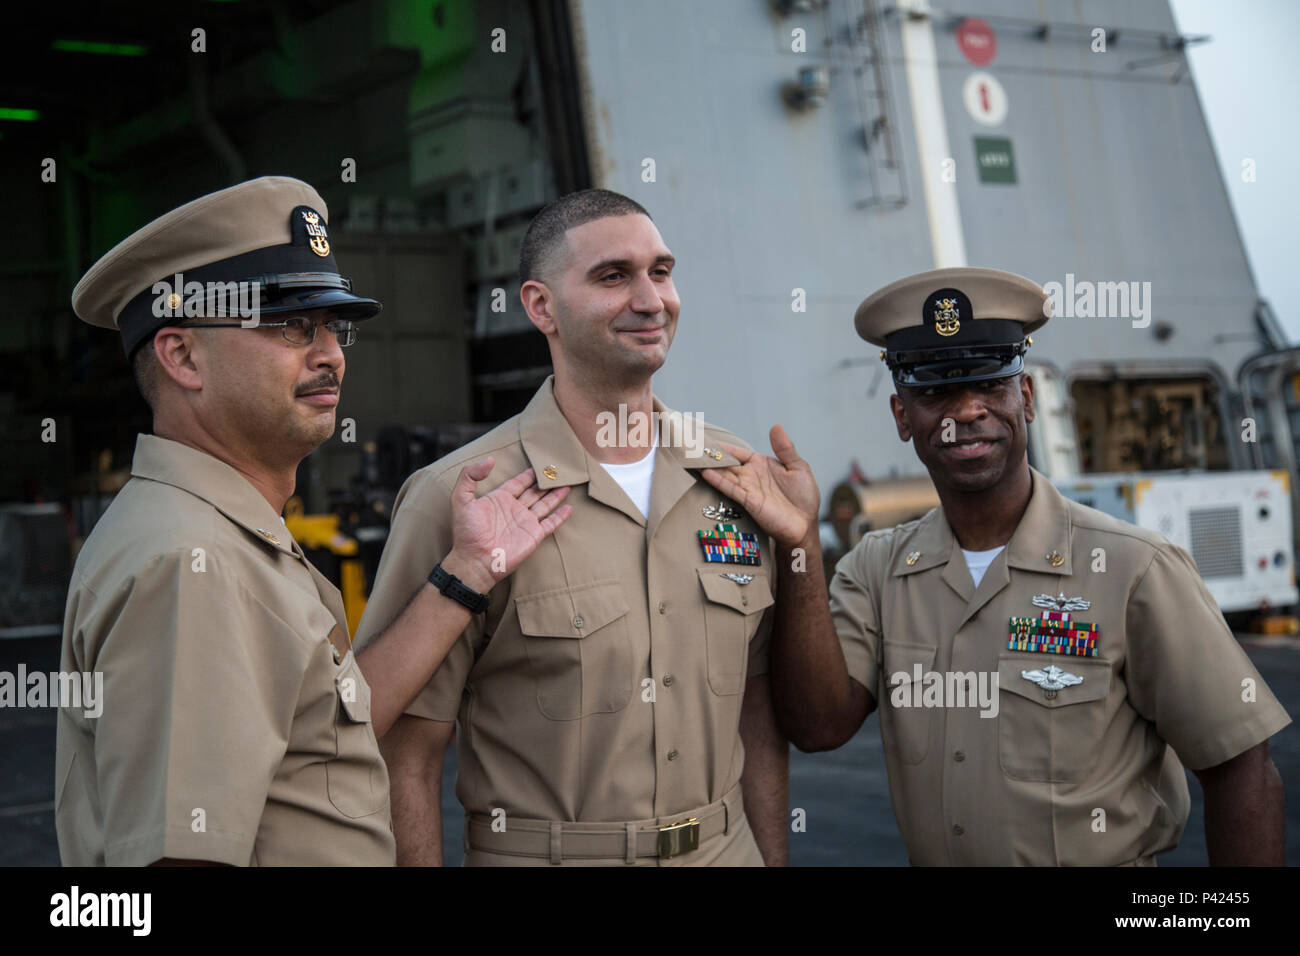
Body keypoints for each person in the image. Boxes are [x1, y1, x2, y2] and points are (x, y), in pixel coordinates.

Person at [57, 176, 571, 866]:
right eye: (291, 325)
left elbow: (329, 730)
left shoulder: (222, 531)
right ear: (182, 356)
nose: (331, 353)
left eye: (335, 326)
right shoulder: (189, 561)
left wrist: (466, 572)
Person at [700, 266, 1290, 865]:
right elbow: (819, 726)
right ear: (903, 417)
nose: (968, 412)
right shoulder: (877, 570)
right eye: (936, 392)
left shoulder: (1135, 569)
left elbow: (1242, 768)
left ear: (1026, 398)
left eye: (990, 384)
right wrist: (797, 542)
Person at [354, 189, 790, 866]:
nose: (651, 300)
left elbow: (758, 716)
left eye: (662, 271)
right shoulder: (461, 497)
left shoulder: (735, 478)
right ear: (540, 307)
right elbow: (404, 751)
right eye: (613, 277)